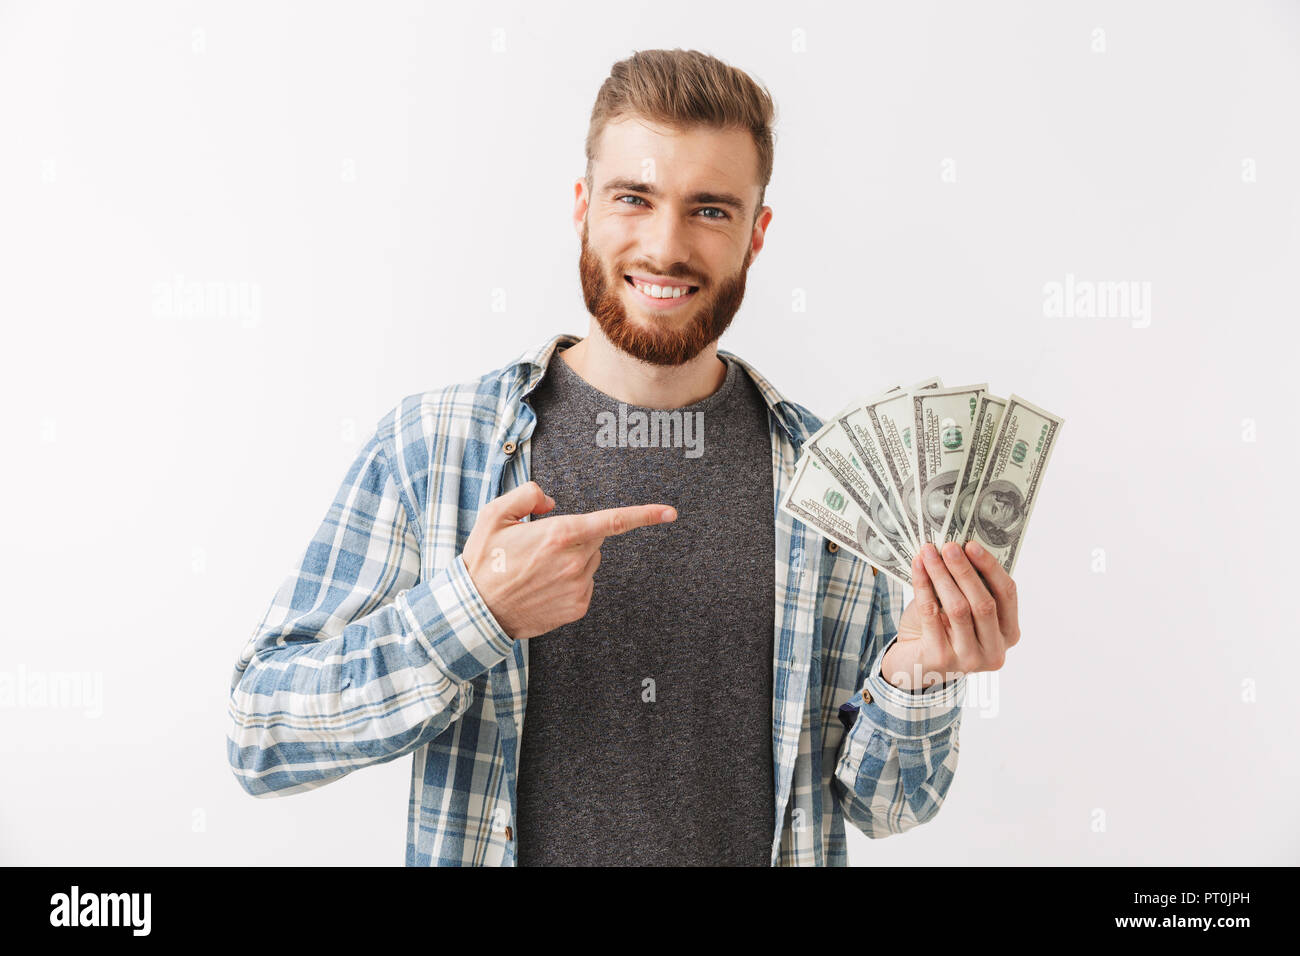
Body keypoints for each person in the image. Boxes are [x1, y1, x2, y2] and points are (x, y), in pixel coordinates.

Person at [226, 48, 1022, 866]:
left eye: (710, 209)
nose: (666, 245)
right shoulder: (434, 446)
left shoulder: (831, 480)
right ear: (583, 207)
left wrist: (917, 673)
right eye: (633, 199)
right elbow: (261, 734)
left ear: (757, 233)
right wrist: (475, 613)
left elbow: (887, 805)